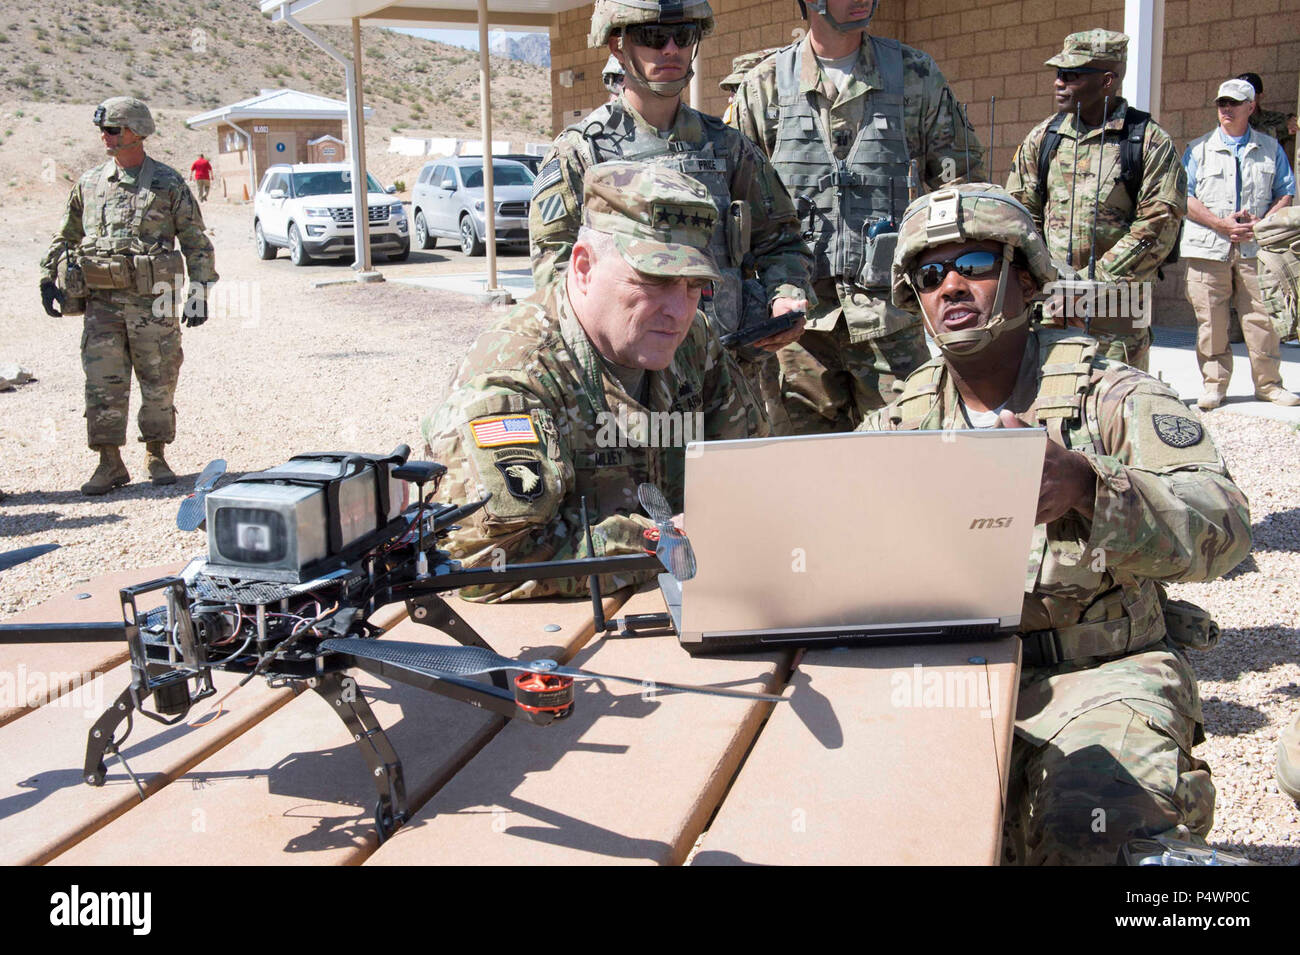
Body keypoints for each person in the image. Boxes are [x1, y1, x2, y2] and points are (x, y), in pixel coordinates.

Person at [859, 183, 1252, 864]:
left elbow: (1225, 523)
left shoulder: (1111, 392)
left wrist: (1083, 485)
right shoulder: (897, 421)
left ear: (1024, 277)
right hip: (946, 679)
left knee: (1091, 827)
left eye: (974, 264)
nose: (951, 285)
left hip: (1097, 672)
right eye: (930, 273)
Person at [426, 163, 765, 602]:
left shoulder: (693, 341)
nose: (678, 311)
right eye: (655, 281)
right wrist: (663, 543)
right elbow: (483, 561)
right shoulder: (514, 376)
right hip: (572, 639)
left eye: (693, 285)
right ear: (583, 267)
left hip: (702, 603)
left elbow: (753, 473)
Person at [528, 0, 813, 434]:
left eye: (684, 37)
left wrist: (785, 295)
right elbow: (556, 276)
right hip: (627, 389)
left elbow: (781, 240)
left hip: (730, 373)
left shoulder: (728, 149)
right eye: (653, 37)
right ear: (618, 46)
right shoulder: (581, 154)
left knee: (741, 492)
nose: (671, 49)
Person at [729, 0, 983, 434]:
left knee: (903, 468)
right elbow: (733, 206)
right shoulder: (764, 87)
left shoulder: (915, 75)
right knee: (807, 472)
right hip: (797, 329)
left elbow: (960, 190)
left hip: (894, 320)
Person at [40, 97, 216, 495]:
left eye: (113, 130)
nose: (105, 137)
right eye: (103, 130)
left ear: (137, 131)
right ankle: (109, 462)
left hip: (153, 302)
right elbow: (67, 234)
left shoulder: (168, 182)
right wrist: (47, 274)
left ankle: (156, 453)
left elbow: (195, 241)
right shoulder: (89, 183)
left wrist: (200, 290)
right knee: (103, 383)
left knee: (158, 380)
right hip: (101, 302)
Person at [1006, 29, 1185, 373]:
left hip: (1117, 308)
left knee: (1118, 402)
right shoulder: (1044, 137)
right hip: (1053, 303)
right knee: (1050, 398)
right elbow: (1020, 214)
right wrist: (1044, 276)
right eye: (1058, 74)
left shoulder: (1147, 140)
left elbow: (1159, 224)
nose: (1059, 83)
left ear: (1106, 81)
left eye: (1072, 75)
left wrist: (1093, 282)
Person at [1181, 78, 1298, 410]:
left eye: (1234, 103)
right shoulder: (1198, 149)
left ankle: (1269, 385)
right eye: (1222, 103)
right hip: (1208, 247)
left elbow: (1285, 191)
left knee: (1262, 319)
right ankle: (1214, 386)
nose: (1226, 109)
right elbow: (1183, 197)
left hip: (1255, 250)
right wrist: (1220, 224)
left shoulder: (1270, 148)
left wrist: (1263, 223)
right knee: (1212, 322)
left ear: (1251, 107)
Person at [1238, 72, 1297, 165]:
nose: (1244, 97)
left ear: (1260, 96)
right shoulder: (1229, 119)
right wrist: (1282, 129)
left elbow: (1291, 126)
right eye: (1239, 93)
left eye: (1250, 93)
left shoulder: (1275, 118)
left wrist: (1292, 124)